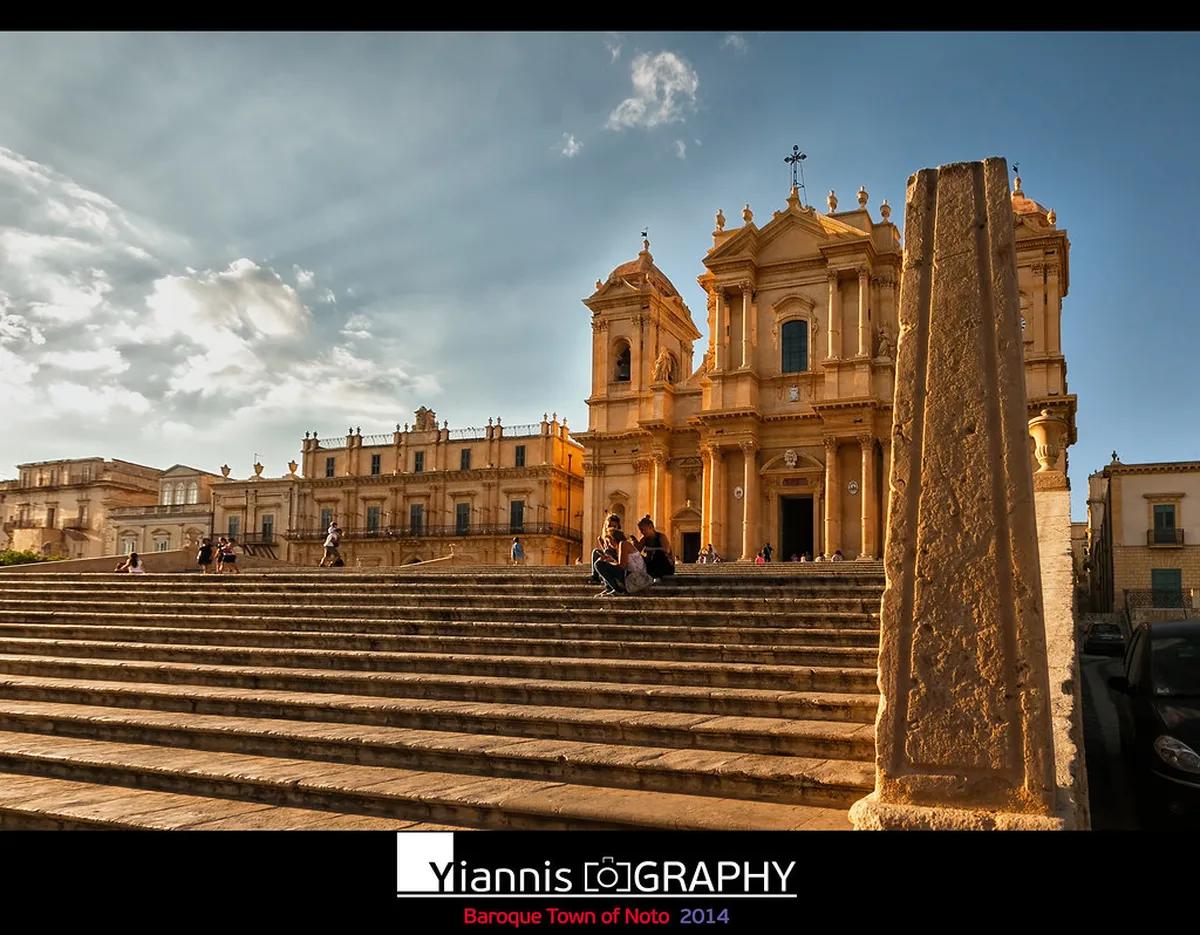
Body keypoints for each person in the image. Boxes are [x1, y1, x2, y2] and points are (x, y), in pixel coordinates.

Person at [594, 525, 635, 597]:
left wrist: (608, 563)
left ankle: (618, 590)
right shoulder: (622, 545)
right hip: (631, 575)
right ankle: (614, 588)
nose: (609, 545)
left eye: (609, 542)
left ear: (613, 539)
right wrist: (610, 561)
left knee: (599, 564)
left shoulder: (623, 544)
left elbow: (622, 566)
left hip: (634, 577)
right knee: (601, 563)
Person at [633, 515, 674, 580]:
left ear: (650, 527)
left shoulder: (661, 536)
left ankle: (657, 576)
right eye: (640, 530)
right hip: (651, 564)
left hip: (665, 566)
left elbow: (667, 550)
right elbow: (637, 552)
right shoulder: (644, 539)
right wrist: (635, 543)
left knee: (658, 553)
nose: (642, 532)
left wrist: (651, 549)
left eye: (643, 530)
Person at [587, 514, 623, 584]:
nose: (611, 528)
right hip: (608, 557)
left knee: (607, 551)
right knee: (596, 552)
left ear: (618, 527)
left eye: (614, 526)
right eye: (609, 526)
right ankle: (595, 577)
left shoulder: (619, 537)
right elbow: (605, 551)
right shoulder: (604, 537)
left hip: (617, 560)